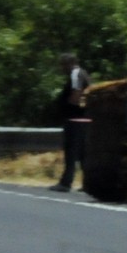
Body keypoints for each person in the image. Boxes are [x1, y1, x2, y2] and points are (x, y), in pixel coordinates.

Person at [52, 52, 91, 192]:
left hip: (75, 119)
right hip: (85, 118)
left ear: (69, 63)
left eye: (63, 65)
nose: (62, 68)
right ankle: (88, 183)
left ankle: (65, 183)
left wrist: (68, 104)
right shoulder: (84, 73)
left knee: (71, 151)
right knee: (82, 153)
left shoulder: (75, 74)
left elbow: (76, 92)